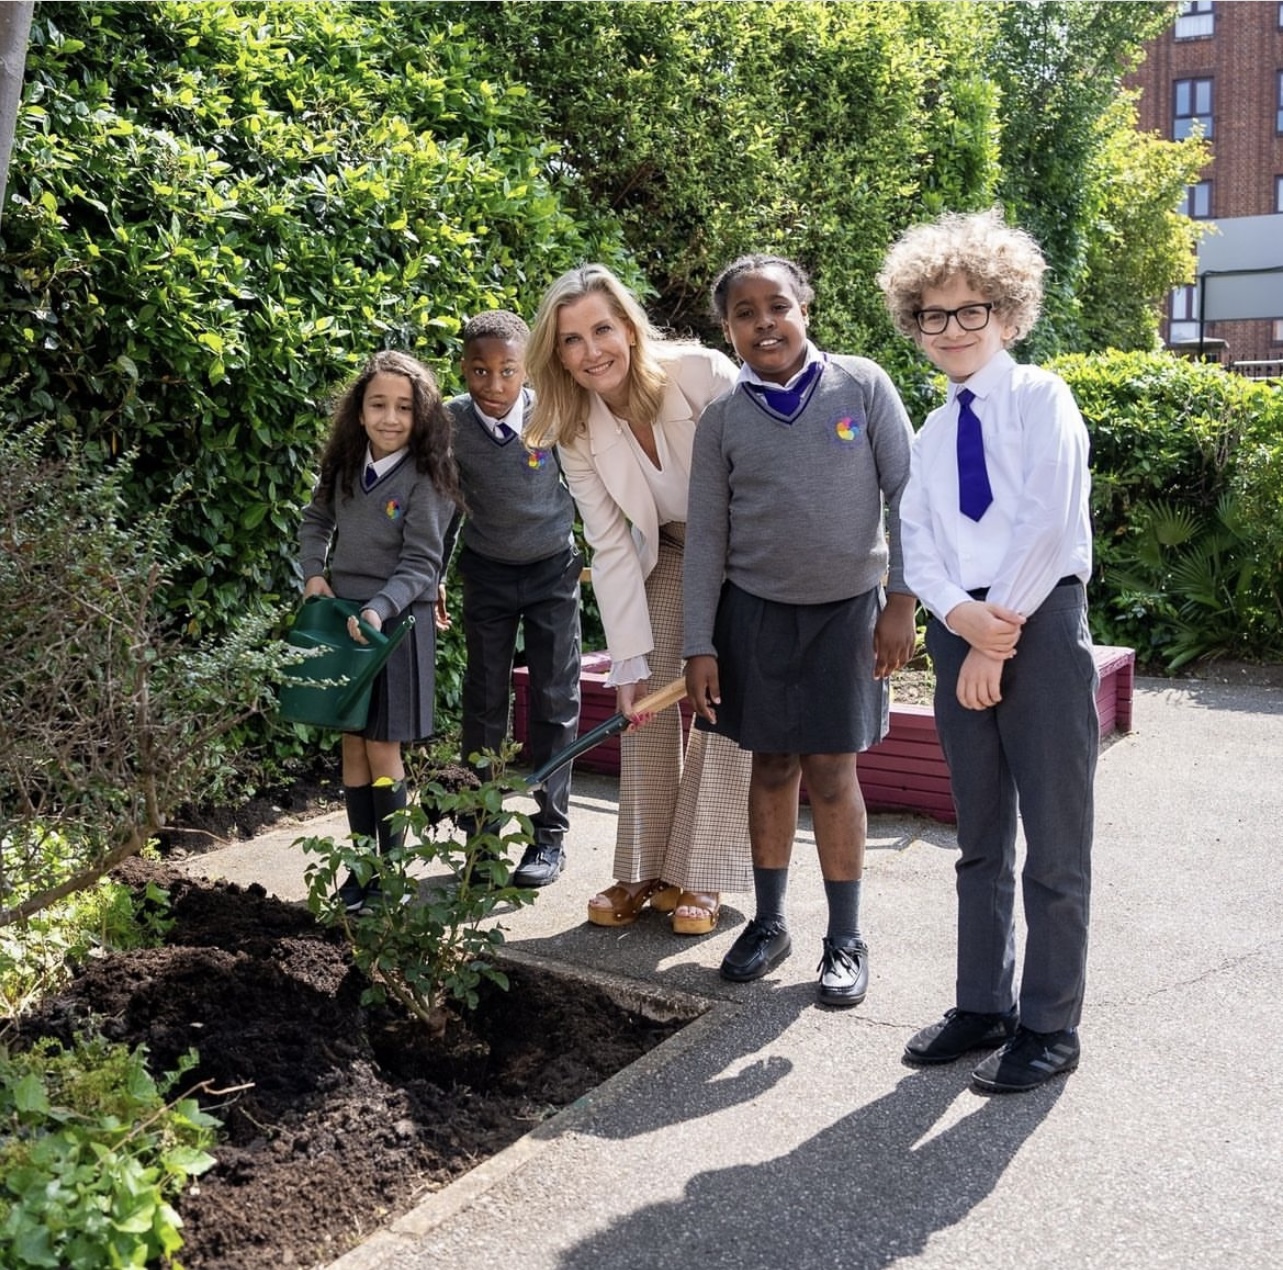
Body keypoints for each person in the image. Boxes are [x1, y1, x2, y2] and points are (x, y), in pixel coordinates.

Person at [877, 208, 1096, 1092]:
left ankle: (1048, 1024)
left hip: (1034, 626)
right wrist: (959, 623)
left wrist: (993, 638)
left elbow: (1046, 524)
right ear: (914, 325)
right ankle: (982, 1005)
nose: (952, 329)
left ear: (1007, 314)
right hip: (963, 626)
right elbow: (917, 544)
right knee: (977, 839)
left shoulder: (1040, 397)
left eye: (971, 311)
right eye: (932, 314)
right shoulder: (931, 436)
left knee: (1053, 841)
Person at [683, 254, 917, 1007]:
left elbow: (908, 496)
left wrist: (901, 600)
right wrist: (699, 644)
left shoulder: (861, 385)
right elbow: (708, 543)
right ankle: (770, 920)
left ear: (804, 310)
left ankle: (844, 938)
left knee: (831, 772)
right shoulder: (722, 418)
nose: (764, 324)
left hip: (848, 611)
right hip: (753, 616)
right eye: (745, 314)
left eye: (776, 307)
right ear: (728, 330)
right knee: (772, 767)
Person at [524, 264, 753, 934]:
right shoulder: (574, 426)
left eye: (601, 329)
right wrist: (625, 662)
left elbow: (762, 477)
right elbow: (612, 544)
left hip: (744, 553)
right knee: (645, 698)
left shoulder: (703, 375)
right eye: (571, 340)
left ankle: (703, 872)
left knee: (720, 701)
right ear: (557, 353)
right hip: (675, 548)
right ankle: (643, 867)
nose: (591, 350)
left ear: (627, 326)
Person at [299, 350, 462, 913]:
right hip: (345, 617)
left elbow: (422, 563)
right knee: (351, 742)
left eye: (404, 408)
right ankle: (360, 866)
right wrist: (314, 574)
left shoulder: (427, 479)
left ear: (422, 416)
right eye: (378, 405)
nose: (390, 418)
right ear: (359, 410)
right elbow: (316, 519)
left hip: (395, 626)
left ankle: (388, 877)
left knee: (382, 745)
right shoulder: (345, 463)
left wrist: (380, 607)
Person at [444, 310, 582, 888]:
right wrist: (431, 577)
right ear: (463, 368)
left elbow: (590, 485)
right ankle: (483, 832)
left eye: (506, 371)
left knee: (554, 696)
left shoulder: (554, 411)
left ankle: (548, 836)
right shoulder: (449, 422)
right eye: (479, 370)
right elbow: (443, 504)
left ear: (527, 369)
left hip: (553, 570)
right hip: (489, 572)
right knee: (483, 700)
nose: (493, 385)